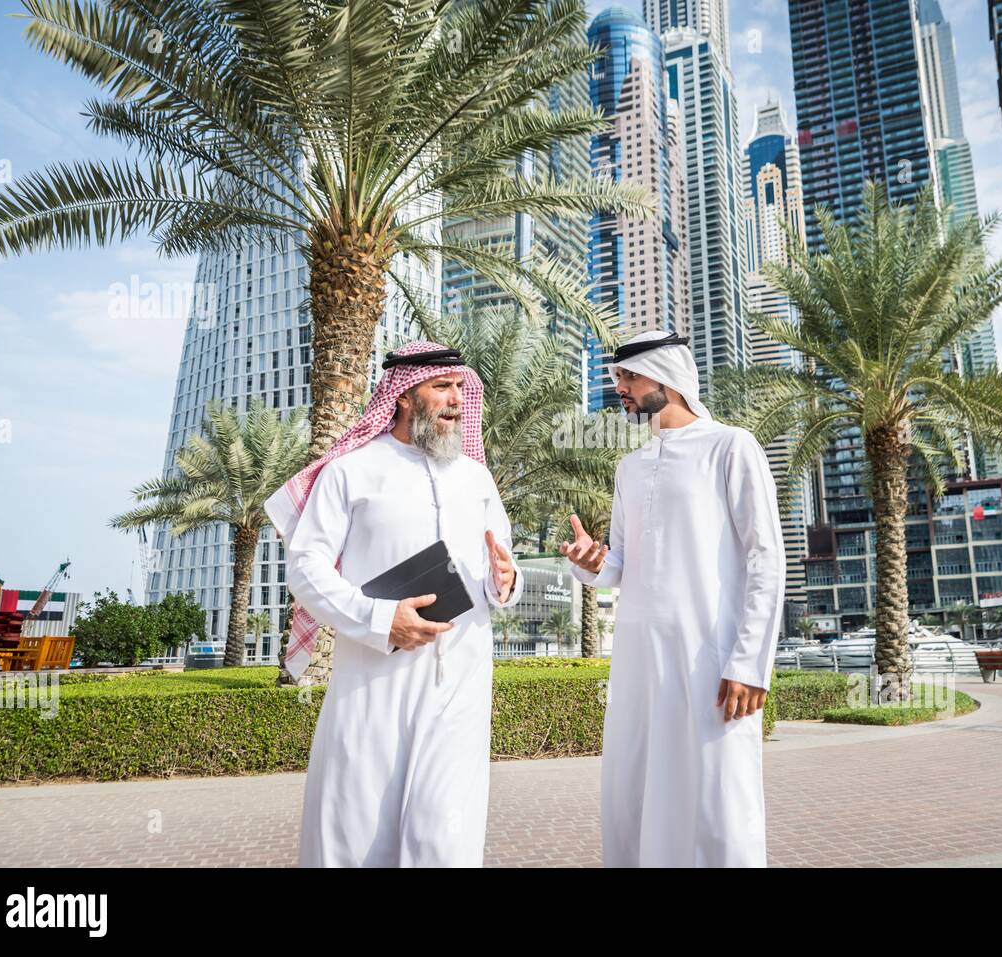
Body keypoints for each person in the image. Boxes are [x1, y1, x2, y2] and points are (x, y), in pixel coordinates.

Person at [265, 340, 523, 867]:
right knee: (358, 830)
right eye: (442, 387)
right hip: (374, 678)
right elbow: (307, 567)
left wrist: (508, 578)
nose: (457, 400)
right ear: (403, 396)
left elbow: (504, 564)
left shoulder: (476, 477)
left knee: (446, 837)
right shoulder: (351, 471)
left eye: (460, 388)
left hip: (461, 682)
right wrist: (383, 620)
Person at [560, 329, 786, 867]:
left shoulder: (732, 446)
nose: (621, 388)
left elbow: (765, 557)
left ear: (667, 377)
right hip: (639, 666)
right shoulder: (629, 467)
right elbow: (621, 567)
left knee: (718, 802)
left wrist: (751, 662)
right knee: (633, 795)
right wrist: (591, 561)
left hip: (712, 661)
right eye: (617, 378)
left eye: (629, 377)